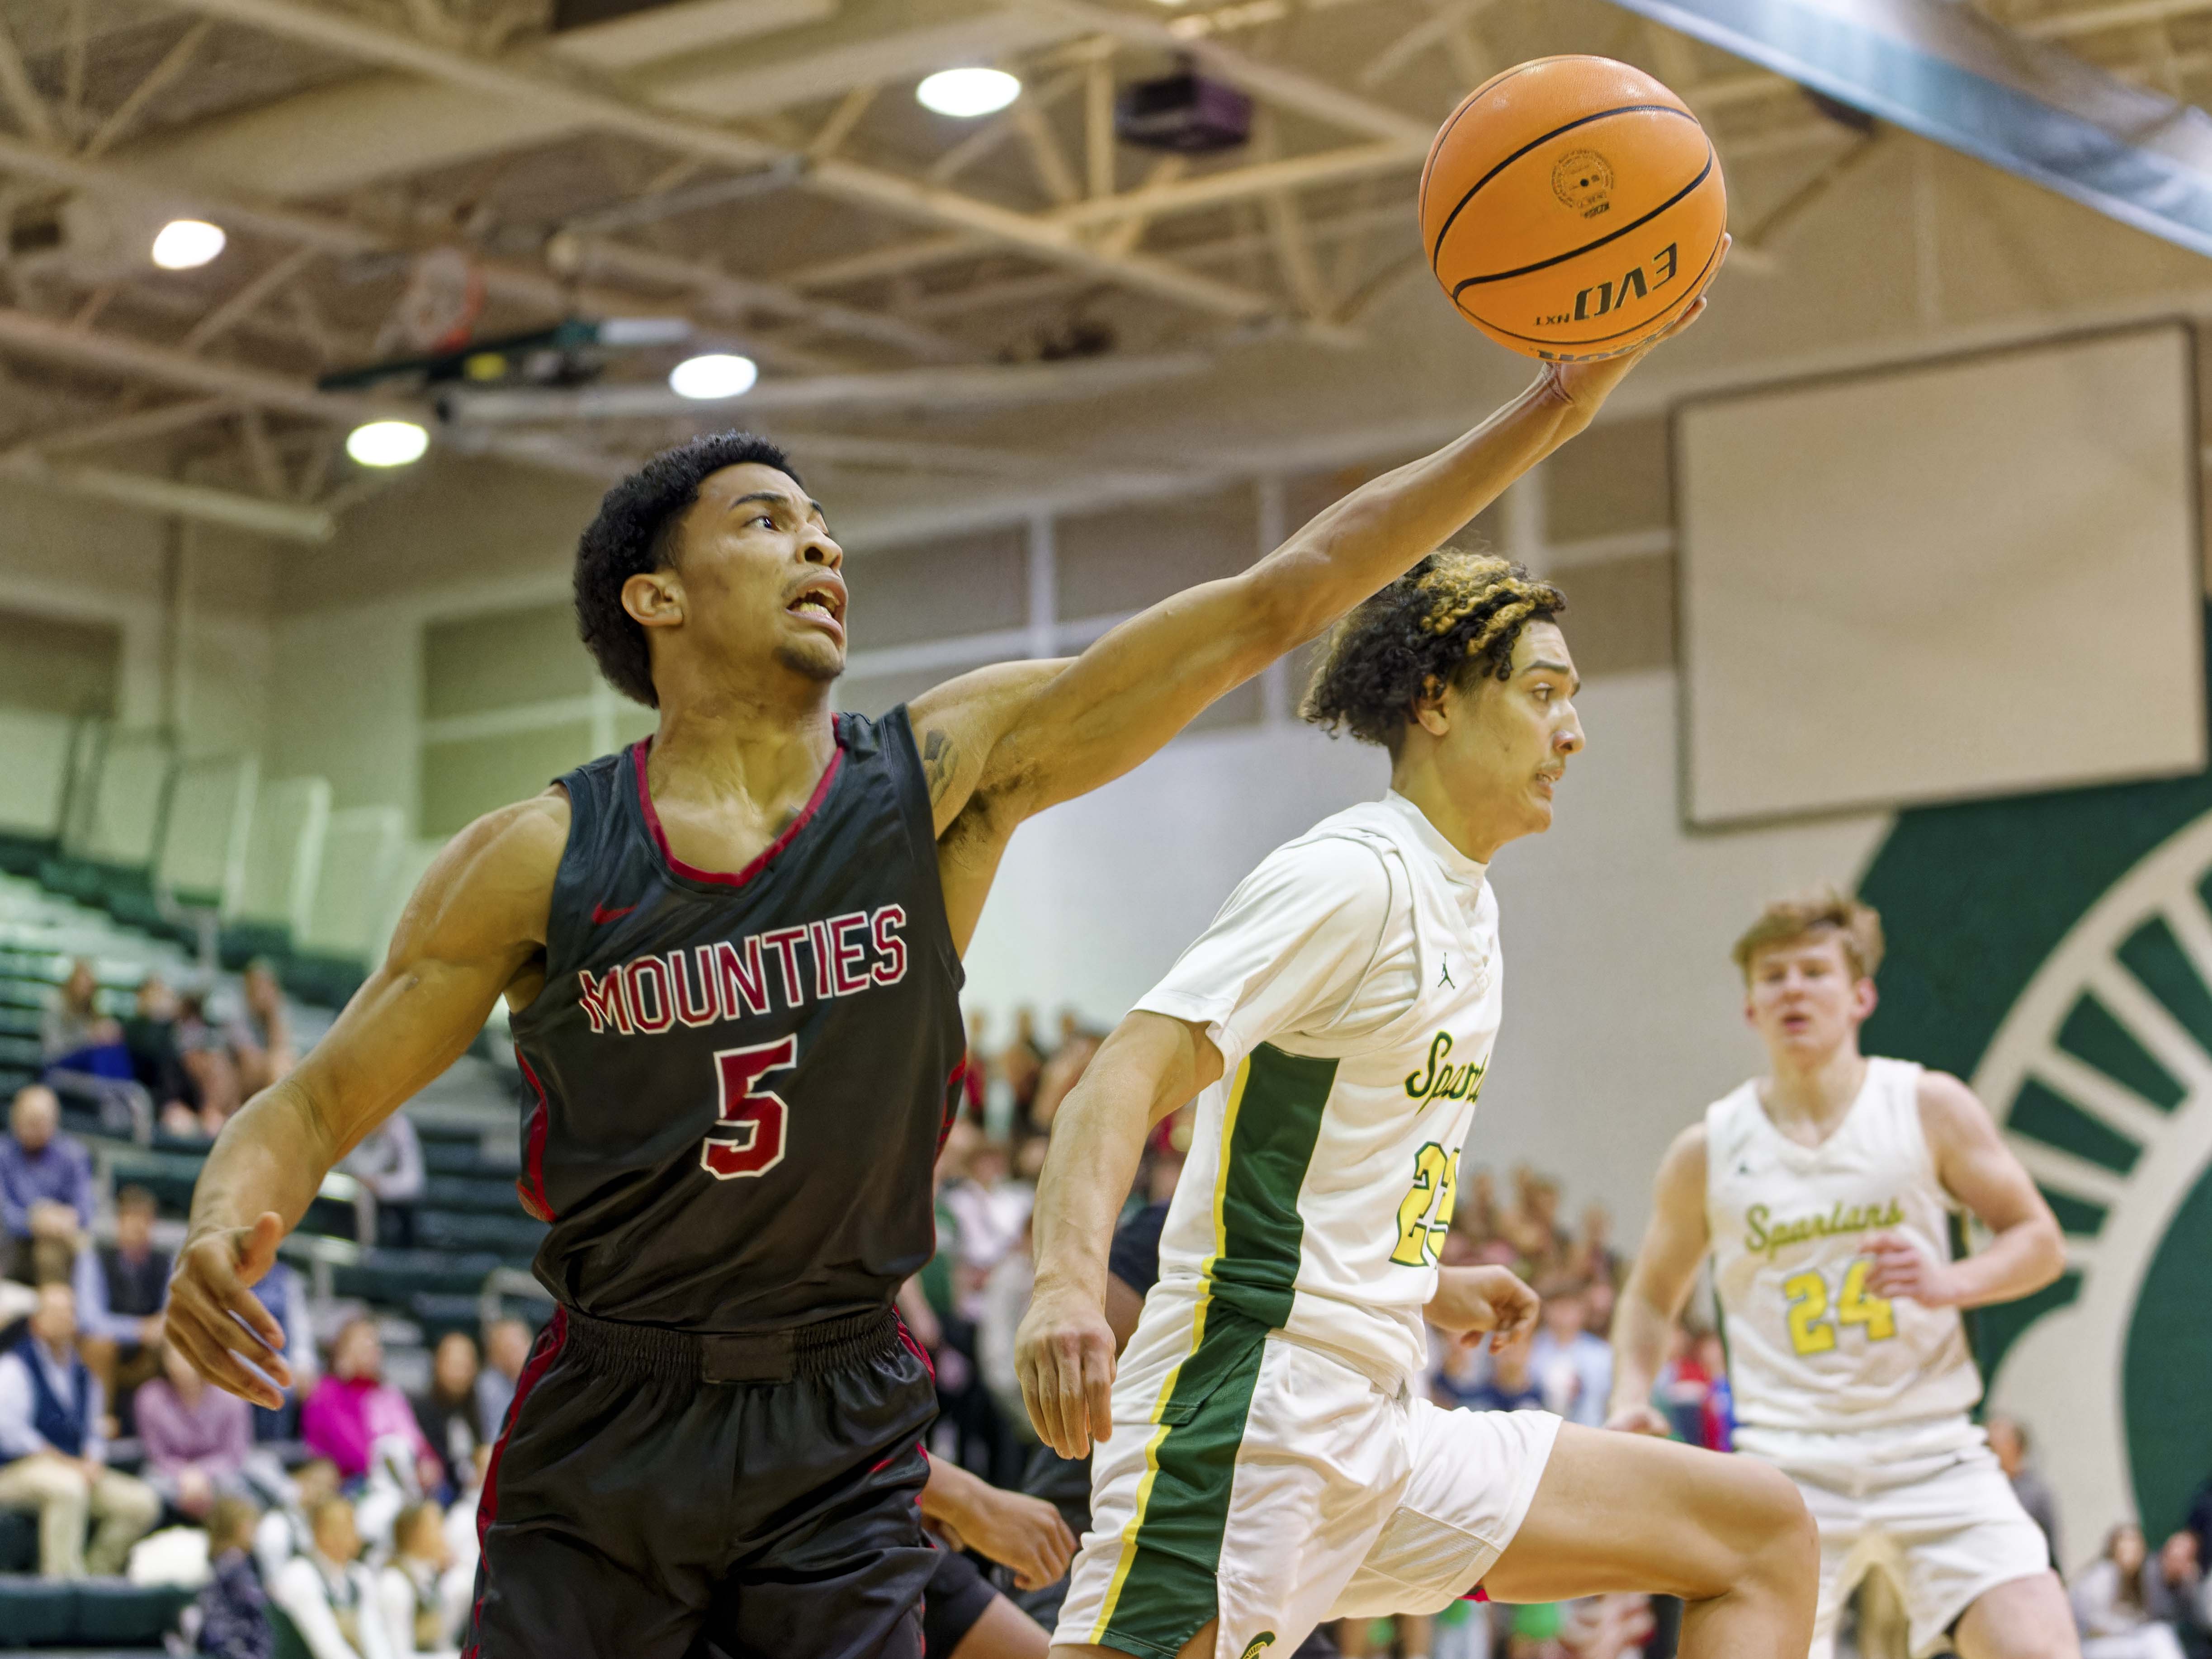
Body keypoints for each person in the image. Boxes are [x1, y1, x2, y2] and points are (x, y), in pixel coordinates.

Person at [168, 302, 1707, 1659]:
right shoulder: (536, 856)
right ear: (656, 597)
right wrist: (225, 1215)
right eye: (770, 520)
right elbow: (311, 1103)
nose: (822, 542)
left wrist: (1552, 404)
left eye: (826, 521)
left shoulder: (939, 776)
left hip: (840, 1416)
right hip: (611, 1414)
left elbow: (1275, 598)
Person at [1019, 555, 1817, 1654]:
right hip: (1251, 1423)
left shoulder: (1466, 909)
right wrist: (1064, 1285)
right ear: (1433, 702)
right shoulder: (1353, 879)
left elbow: (1314, 1153)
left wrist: (1421, 1282)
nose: (1572, 730)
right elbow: (1116, 1079)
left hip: (1383, 1421)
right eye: (1541, 693)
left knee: (1759, 1532)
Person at [1607, 889, 2076, 1659]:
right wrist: (1629, 1396)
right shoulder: (1709, 1147)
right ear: (1749, 1006)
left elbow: (2039, 1240)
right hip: (1784, 1461)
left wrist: (1948, 1280)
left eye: (1813, 970)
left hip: (1930, 1446)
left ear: (1860, 994)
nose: (1792, 986)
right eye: (1772, 974)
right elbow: (1653, 1295)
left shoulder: (1926, 1105)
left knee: (2041, 1646)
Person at [0, 1281, 161, 1576]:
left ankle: (93, 1579)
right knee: (68, 1489)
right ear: (37, 1322)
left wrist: (92, 1460)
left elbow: (92, 1430)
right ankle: (60, 1589)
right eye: (56, 1312)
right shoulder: (15, 1367)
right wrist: (69, 1464)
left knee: (141, 1503)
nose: (65, 1318)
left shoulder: (85, 1375)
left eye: (70, 1311)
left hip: (73, 1467)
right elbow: (12, 1435)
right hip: (14, 1471)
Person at [302, 1318, 442, 1491]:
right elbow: (352, 1453)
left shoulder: (388, 1393)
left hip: (400, 1478)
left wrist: (427, 1461)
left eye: (373, 1343)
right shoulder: (327, 1392)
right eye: (362, 1343)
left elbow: (414, 1438)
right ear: (342, 1351)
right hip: (348, 1482)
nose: (371, 1349)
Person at [74, 1183, 169, 1418]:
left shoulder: (166, 1261)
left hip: (150, 1347)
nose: (137, 1227)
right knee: (98, 1344)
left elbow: (175, 1311)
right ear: (119, 1223)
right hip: (111, 1344)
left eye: (144, 1220)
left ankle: (173, 1424)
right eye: (130, 1219)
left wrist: (157, 1328)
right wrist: (137, 1329)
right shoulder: (94, 1257)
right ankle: (97, 1421)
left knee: (180, 1346)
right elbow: (88, 1318)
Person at [137, 1338, 255, 1518]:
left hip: (220, 1479)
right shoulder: (150, 1398)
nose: (182, 1360)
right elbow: (157, 1456)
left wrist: (201, 1474)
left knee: (239, 1485)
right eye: (176, 1352)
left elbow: (234, 1455)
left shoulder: (232, 1395)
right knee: (149, 1486)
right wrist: (185, 1475)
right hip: (173, 1480)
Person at [272, 1493, 397, 1659]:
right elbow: (329, 1650)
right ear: (317, 1532)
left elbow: (375, 1640)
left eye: (351, 1525)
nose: (349, 1534)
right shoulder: (299, 1575)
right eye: (338, 1527)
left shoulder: (359, 1576)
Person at [0, 1083, 92, 1286]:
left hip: (58, 1243)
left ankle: (57, 1309)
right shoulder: (3, 1154)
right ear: (15, 1120)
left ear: (54, 1121)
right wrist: (35, 1219)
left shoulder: (73, 1155)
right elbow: (4, 1213)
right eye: (29, 1121)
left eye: (40, 1122)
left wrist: (62, 1219)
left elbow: (85, 1212)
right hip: (11, 1245)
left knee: (55, 1249)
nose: (34, 1128)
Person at [2072, 1524, 2186, 1659]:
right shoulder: (2102, 1575)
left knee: (2159, 1634)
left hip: (2120, 1641)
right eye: (2125, 1548)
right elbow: (2094, 1627)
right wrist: (2133, 1626)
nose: (2130, 1553)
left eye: (2135, 1547)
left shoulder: (2139, 1578)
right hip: (2089, 1646)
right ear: (2114, 1549)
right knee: (2156, 1637)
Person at [376, 1499, 468, 1657]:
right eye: (435, 1525)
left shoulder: (430, 1577)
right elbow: (398, 1655)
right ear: (414, 1534)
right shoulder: (395, 1583)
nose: (443, 1532)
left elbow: (439, 1644)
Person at [197, 1492, 274, 1659]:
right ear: (238, 1527)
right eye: (251, 1525)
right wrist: (270, 1594)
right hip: (234, 1640)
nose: (255, 1532)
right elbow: (251, 1598)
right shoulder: (233, 1561)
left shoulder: (225, 1558)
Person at [1526, 1276, 1610, 1427]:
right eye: (1557, 1306)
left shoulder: (1602, 1354)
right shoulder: (1530, 1349)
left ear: (1583, 1310)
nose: (1564, 1314)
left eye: (1570, 1306)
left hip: (1589, 1432)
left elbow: (1608, 1402)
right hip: (1541, 1431)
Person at [410, 1331, 484, 1500]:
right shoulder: (421, 1407)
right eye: (454, 1364)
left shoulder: (476, 1407)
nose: (460, 1371)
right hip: (439, 1493)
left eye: (466, 1364)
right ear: (437, 1363)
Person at [1989, 1416, 2064, 1571]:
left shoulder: (2036, 1493)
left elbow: (2050, 1550)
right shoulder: (1983, 1489)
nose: (1989, 1452)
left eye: (1994, 1446)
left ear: (2016, 1448)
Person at [340, 1115, 424, 1248]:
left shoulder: (400, 1126)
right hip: (350, 1206)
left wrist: (378, 1185)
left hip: (394, 1207)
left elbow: (414, 1183)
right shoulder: (353, 1126)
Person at [471, 1319, 530, 1435]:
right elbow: (496, 1436)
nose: (516, 1356)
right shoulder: (489, 1386)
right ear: (493, 1355)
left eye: (519, 1347)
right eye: (508, 1349)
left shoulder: (541, 1375)